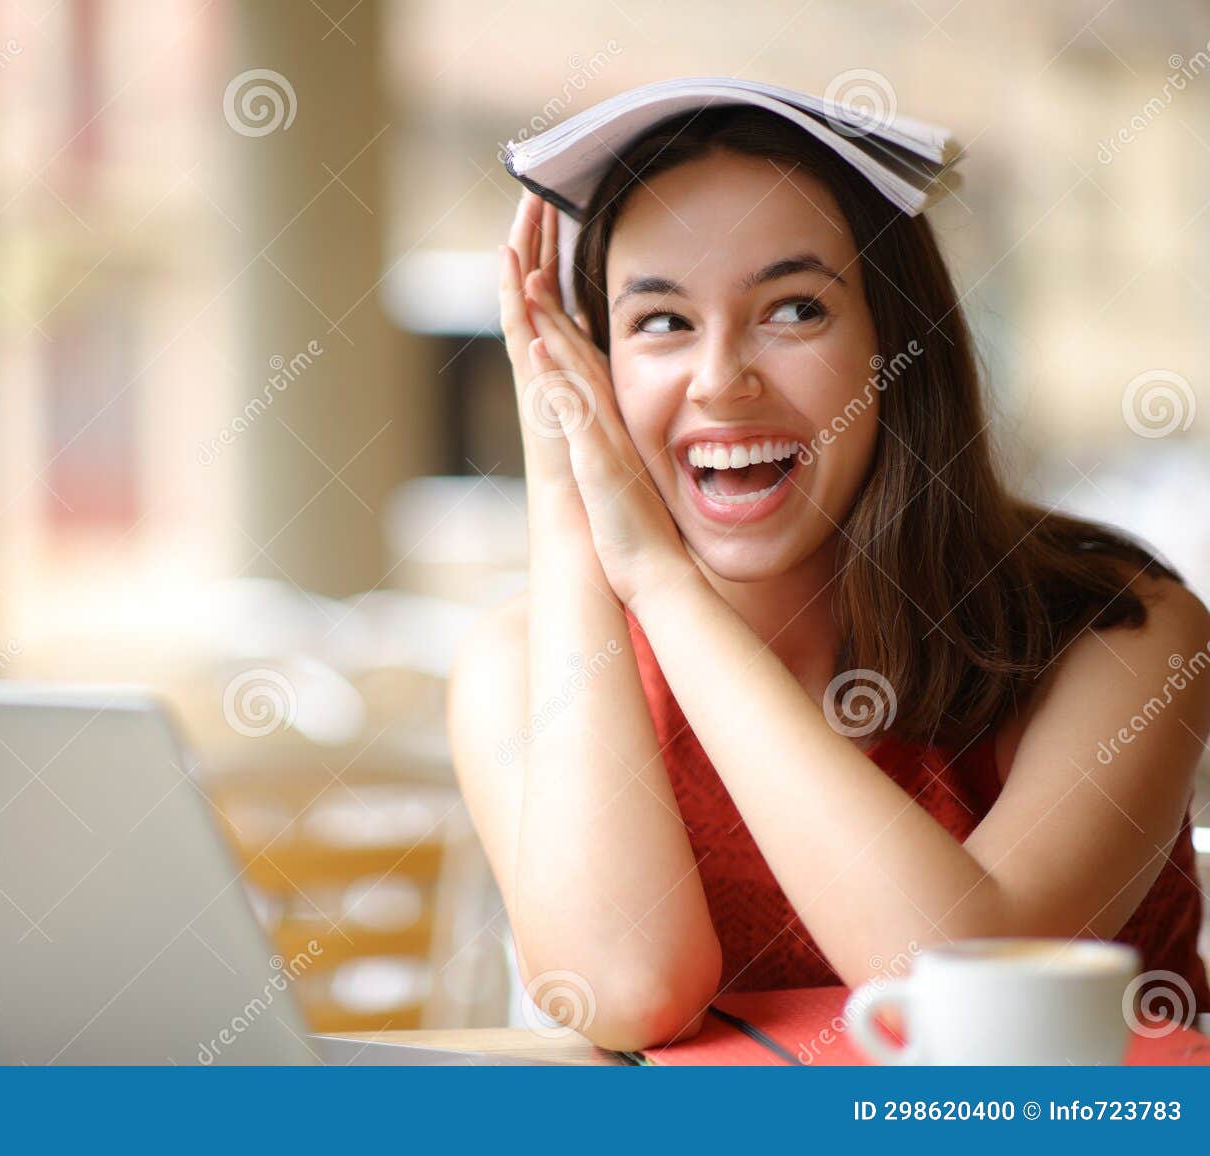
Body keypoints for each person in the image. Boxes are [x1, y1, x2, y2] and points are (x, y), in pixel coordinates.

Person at [448, 103, 1210, 1052]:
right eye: (660, 321)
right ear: (592, 370)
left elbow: (958, 988)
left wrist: (663, 583)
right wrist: (567, 506)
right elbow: (627, 987)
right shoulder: (521, 662)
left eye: (794, 309)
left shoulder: (1125, 632)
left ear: (899, 351)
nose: (721, 379)